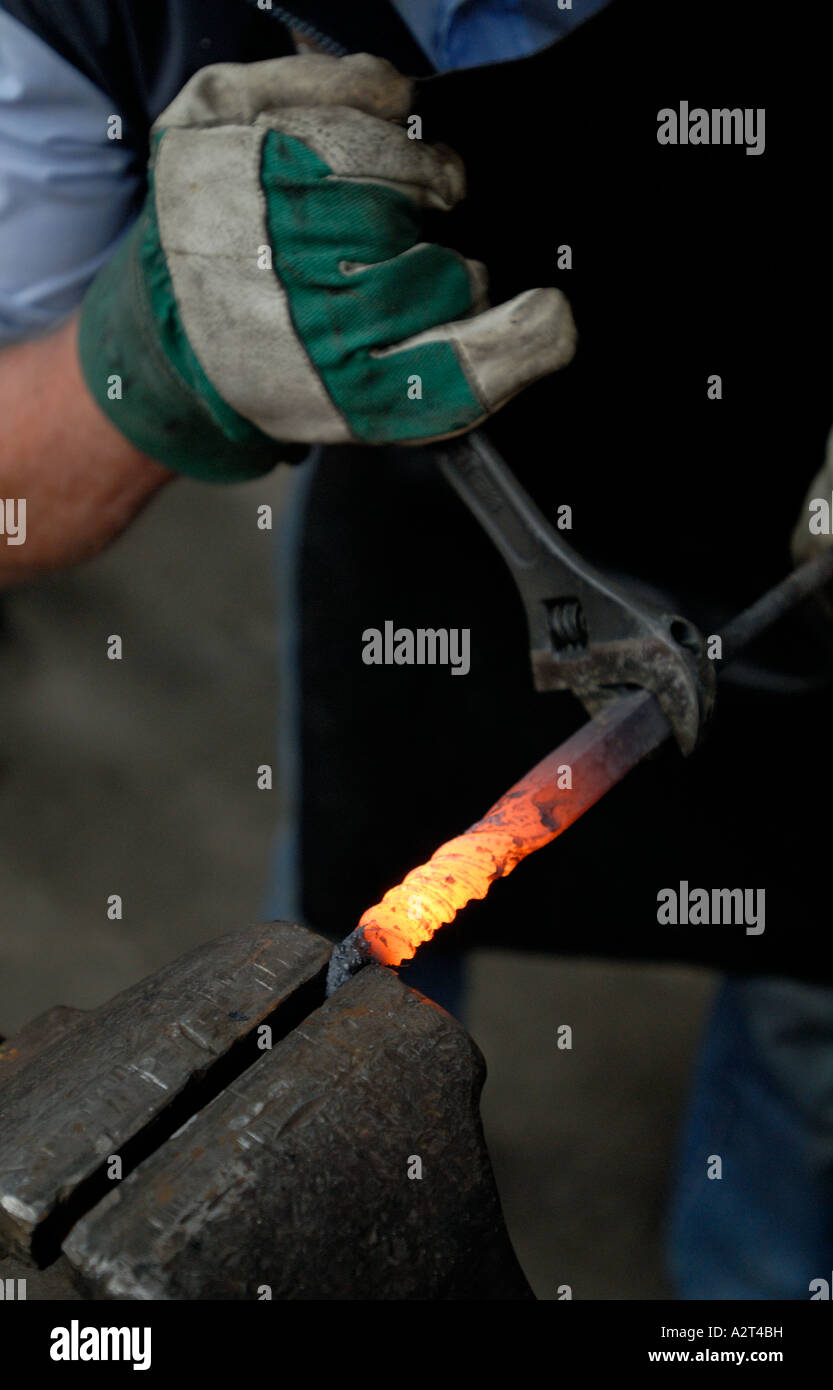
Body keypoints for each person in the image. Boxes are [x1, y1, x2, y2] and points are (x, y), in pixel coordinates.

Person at [1, 0, 831, 1300]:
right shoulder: (75, 21)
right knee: (326, 1028)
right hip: (421, 553)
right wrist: (144, 355)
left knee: (812, 1017)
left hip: (788, 507)